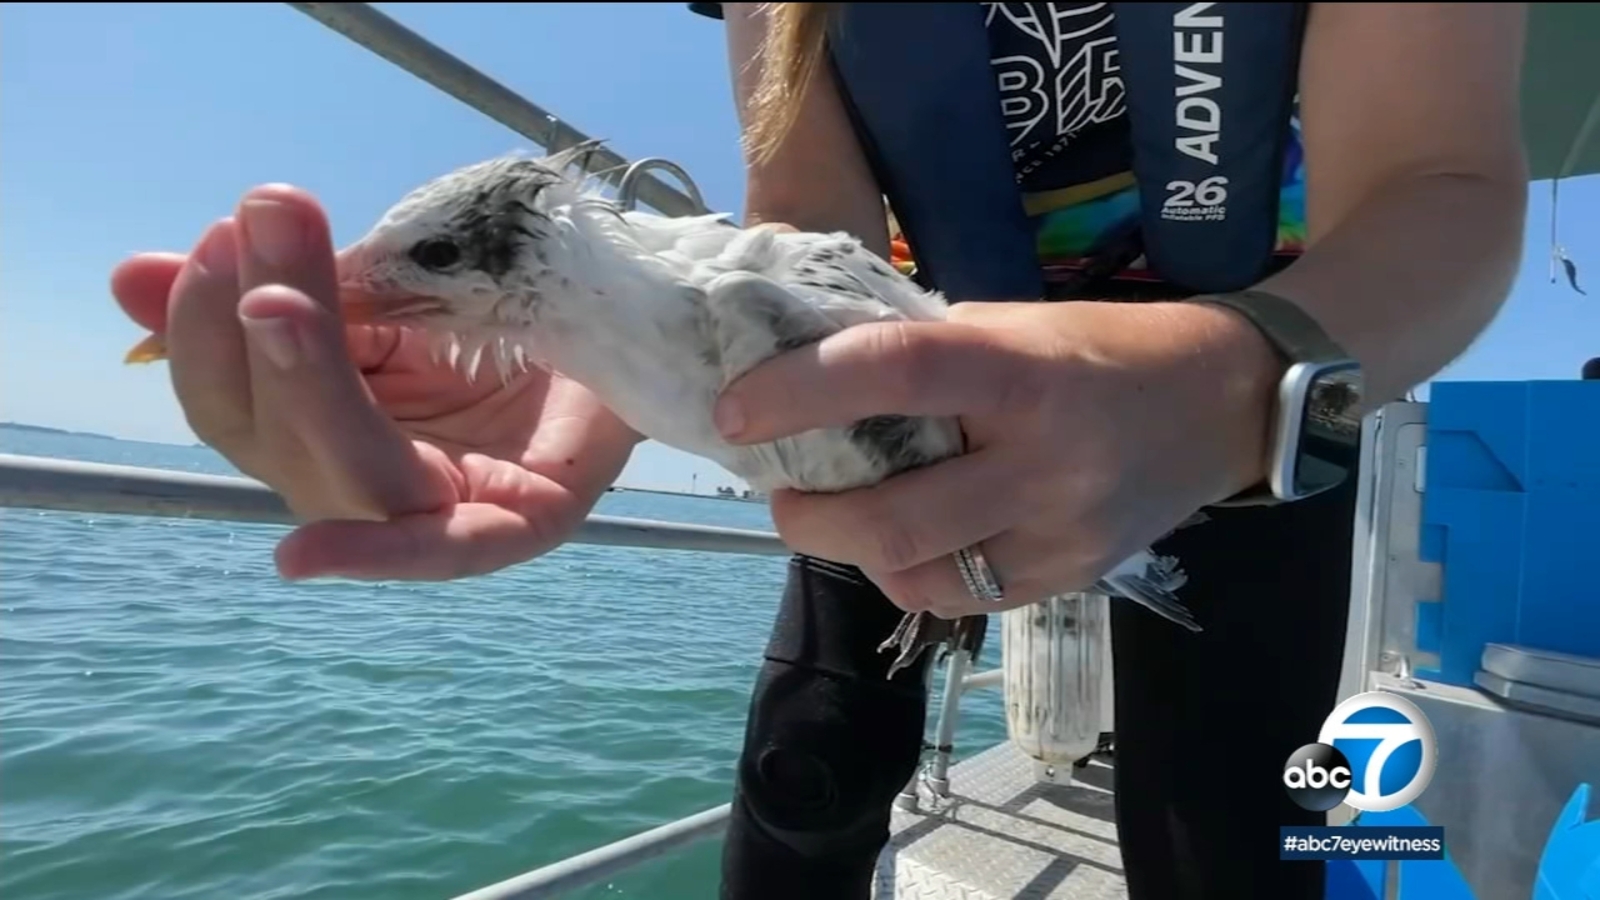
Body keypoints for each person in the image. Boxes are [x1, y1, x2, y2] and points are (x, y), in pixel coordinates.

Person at [109, 2, 1528, 898]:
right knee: (810, 774)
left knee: (1238, 835)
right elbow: (801, 222)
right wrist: (609, 378)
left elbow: (1443, 186)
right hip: (871, 389)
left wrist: (1227, 379)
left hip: (1261, 398)